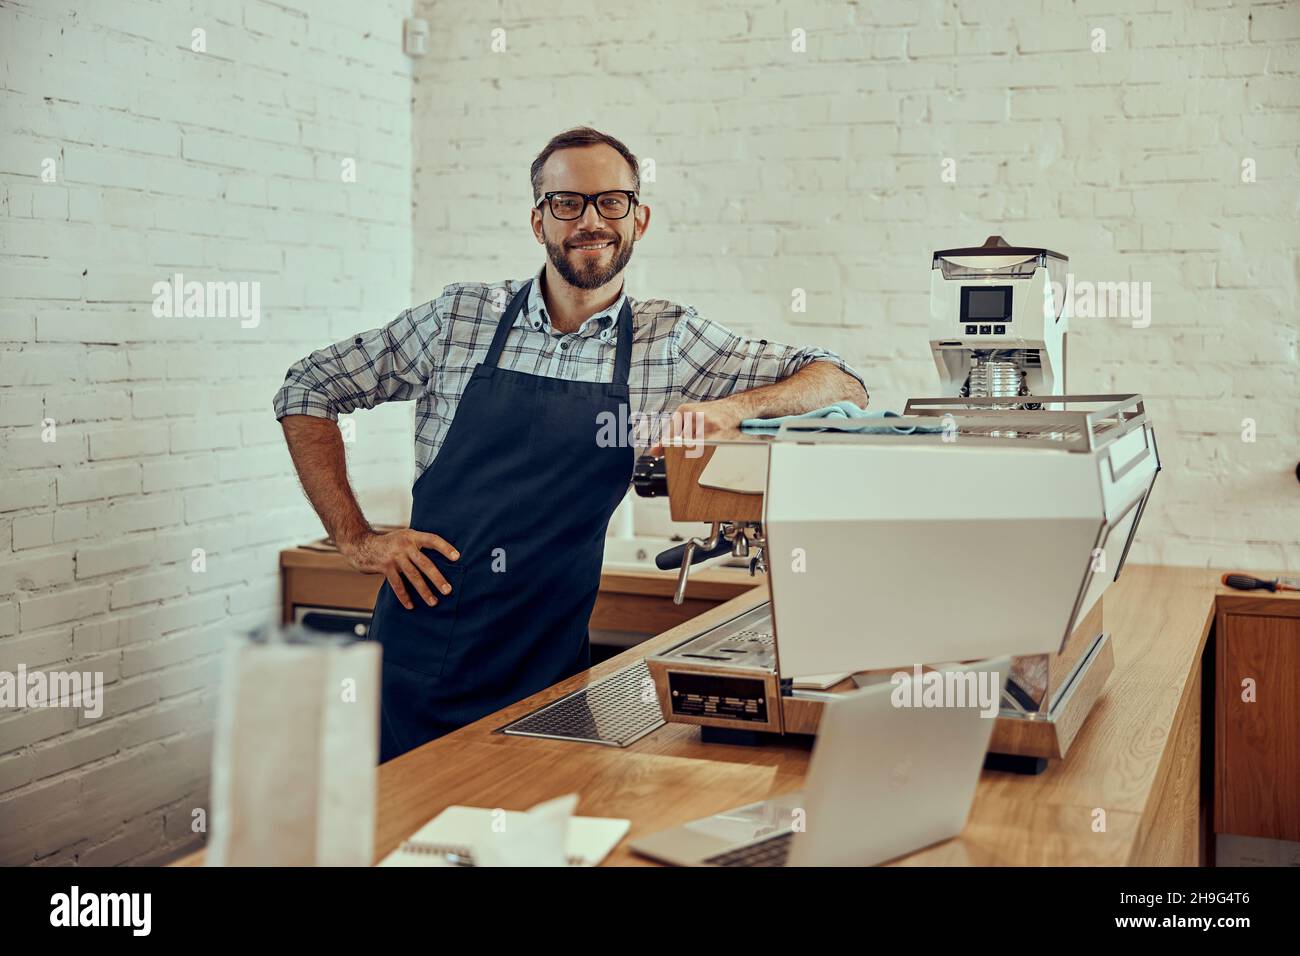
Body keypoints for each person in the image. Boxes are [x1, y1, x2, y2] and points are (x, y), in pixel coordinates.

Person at [273, 126, 868, 762]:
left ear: (639, 218)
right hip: (424, 656)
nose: (591, 220)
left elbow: (841, 382)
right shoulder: (459, 318)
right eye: (567, 203)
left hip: (551, 663)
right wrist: (356, 537)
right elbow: (308, 388)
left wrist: (731, 409)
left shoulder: (670, 342)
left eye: (611, 201)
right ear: (539, 221)